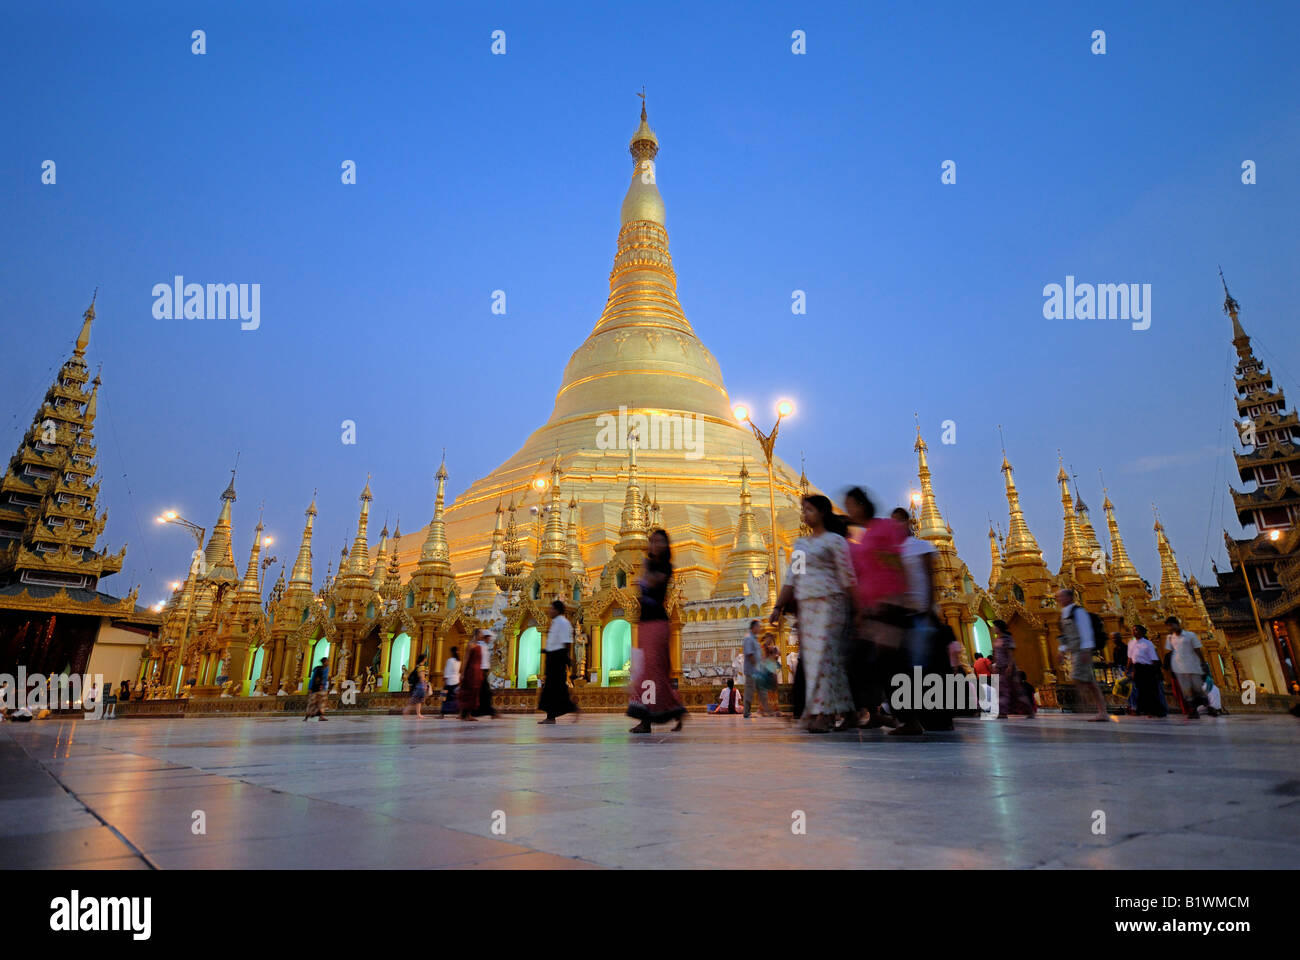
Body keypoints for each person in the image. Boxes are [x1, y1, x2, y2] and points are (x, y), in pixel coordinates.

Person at [771, 495, 856, 733]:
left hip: (831, 602)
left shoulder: (835, 541)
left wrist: (857, 608)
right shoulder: (801, 545)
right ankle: (849, 712)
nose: (805, 514)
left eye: (809, 509)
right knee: (826, 660)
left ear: (821, 513)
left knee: (822, 658)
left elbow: (847, 576)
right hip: (808, 607)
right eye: (803, 510)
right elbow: (792, 577)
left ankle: (824, 713)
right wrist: (778, 606)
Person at [843, 488, 907, 729]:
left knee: (892, 664)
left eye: (851, 506)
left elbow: (895, 565)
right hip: (871, 609)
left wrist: (896, 598)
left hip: (887, 605)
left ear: (861, 505)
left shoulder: (882, 530)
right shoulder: (865, 538)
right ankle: (877, 712)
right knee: (877, 665)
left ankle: (909, 718)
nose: (849, 511)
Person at [627, 528, 687, 733]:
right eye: (653, 541)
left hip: (658, 624)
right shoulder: (650, 564)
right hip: (645, 623)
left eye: (660, 542)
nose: (656, 545)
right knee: (649, 671)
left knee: (652, 672)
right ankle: (676, 710)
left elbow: (651, 583)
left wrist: (644, 568)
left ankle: (647, 721)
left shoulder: (664, 567)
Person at [1056, 588, 1109, 722]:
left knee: (1078, 677)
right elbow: (1065, 635)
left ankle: (1085, 704)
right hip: (1074, 651)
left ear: (1069, 598)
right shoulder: (1063, 613)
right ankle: (1098, 709)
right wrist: (1062, 650)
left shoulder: (1078, 612)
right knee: (1088, 681)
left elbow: (1086, 631)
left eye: (1061, 597)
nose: (1059, 600)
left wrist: (1086, 650)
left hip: (1082, 650)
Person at [1165, 617, 1215, 719]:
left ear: (1177, 624)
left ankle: (1209, 707)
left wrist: (1203, 663)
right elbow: (1171, 652)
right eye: (1168, 626)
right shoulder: (1170, 638)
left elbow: (1197, 650)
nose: (1170, 628)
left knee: (1197, 688)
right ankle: (1193, 711)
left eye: (1171, 625)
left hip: (1193, 666)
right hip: (1179, 668)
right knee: (1186, 690)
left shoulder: (1190, 635)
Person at [539, 600, 580, 723]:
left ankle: (571, 708)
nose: (549, 611)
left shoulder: (563, 623)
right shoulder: (555, 622)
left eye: (551, 609)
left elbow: (566, 642)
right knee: (550, 689)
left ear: (557, 610)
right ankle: (550, 717)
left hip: (558, 658)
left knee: (556, 689)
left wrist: (566, 659)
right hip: (552, 657)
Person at [992, 620, 1035, 718]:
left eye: (994, 626)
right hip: (1000, 668)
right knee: (1002, 690)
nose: (993, 628)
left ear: (999, 627)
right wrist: (995, 665)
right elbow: (995, 654)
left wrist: (1010, 666)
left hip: (1008, 667)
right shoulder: (997, 639)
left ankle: (1029, 710)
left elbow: (1010, 653)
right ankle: (1003, 712)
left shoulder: (1007, 638)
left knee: (1016, 690)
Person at [1126, 625, 1166, 718]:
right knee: (1141, 690)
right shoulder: (1131, 643)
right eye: (1133, 630)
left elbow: (1154, 659)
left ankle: (1157, 710)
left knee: (1151, 690)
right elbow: (1130, 658)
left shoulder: (1148, 643)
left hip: (1147, 668)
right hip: (1137, 668)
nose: (1134, 631)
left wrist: (1156, 671)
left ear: (1142, 632)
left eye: (1136, 630)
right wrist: (1128, 669)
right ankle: (1145, 709)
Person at [459, 632, 485, 720]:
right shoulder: (470, 645)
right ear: (476, 634)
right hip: (470, 671)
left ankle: (467, 714)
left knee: (475, 692)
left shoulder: (479, 646)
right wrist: (462, 673)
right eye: (480, 633)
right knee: (469, 691)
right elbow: (465, 659)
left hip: (477, 671)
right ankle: (465, 714)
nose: (482, 635)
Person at [473, 630, 497, 718]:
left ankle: (488, 711)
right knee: (484, 692)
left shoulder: (484, 646)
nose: (489, 639)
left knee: (485, 692)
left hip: (484, 671)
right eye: (488, 638)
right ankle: (489, 712)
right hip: (480, 671)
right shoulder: (479, 646)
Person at [741, 620, 763, 718]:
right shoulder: (749, 638)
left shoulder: (754, 639)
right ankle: (746, 712)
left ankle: (766, 709)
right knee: (749, 691)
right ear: (754, 627)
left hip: (756, 670)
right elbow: (750, 655)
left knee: (759, 690)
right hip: (751, 670)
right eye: (759, 627)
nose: (760, 629)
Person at [404, 653, 430, 718]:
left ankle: (418, 714)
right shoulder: (421, 667)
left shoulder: (418, 666)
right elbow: (422, 677)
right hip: (420, 685)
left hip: (418, 685)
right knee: (415, 699)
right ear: (424, 659)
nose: (426, 659)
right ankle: (406, 710)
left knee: (418, 700)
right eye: (426, 658)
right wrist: (424, 684)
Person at [304, 657, 329, 721]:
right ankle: (306, 716)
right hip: (315, 688)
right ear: (324, 662)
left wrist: (325, 687)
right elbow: (313, 678)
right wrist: (310, 688)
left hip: (322, 689)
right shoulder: (318, 669)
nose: (328, 663)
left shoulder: (326, 669)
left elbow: (325, 679)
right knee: (312, 702)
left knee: (322, 703)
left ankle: (321, 716)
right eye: (327, 661)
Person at [442, 646, 461, 716]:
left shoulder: (450, 660)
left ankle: (442, 714)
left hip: (449, 681)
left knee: (444, 698)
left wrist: (444, 679)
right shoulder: (459, 661)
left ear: (452, 652)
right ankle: (460, 713)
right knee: (456, 698)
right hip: (456, 681)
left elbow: (447, 670)